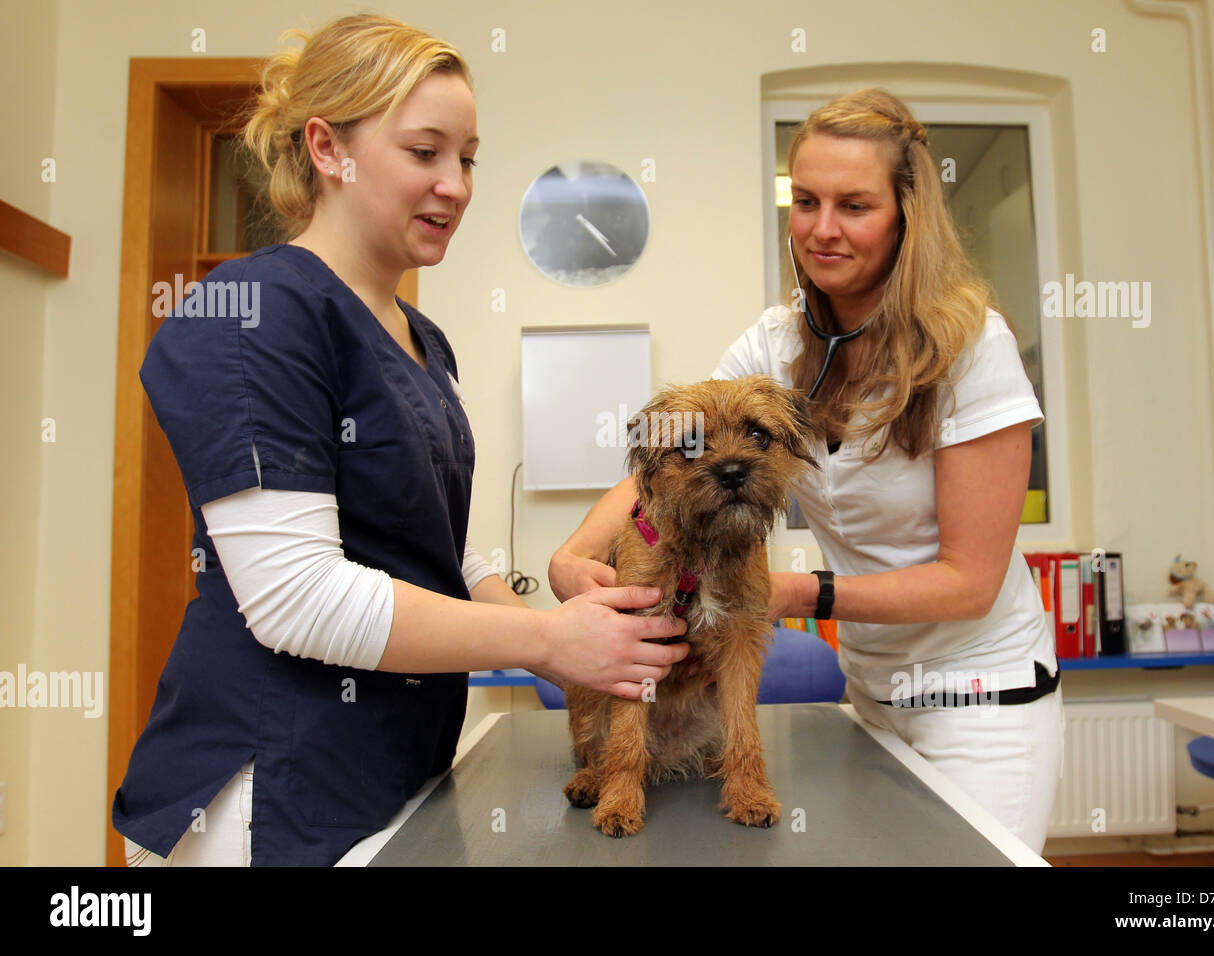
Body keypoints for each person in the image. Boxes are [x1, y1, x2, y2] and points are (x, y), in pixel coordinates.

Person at [112, 13, 688, 868]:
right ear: (326, 148)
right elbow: (296, 597)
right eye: (425, 152)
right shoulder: (254, 314)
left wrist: (570, 649)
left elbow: (441, 550)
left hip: (396, 772)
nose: (455, 184)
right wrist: (543, 643)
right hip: (271, 792)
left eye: (468, 158)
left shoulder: (420, 339)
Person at [549, 88, 1064, 853]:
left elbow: (969, 581)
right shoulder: (775, 342)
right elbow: (672, 453)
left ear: (905, 215)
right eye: (806, 201)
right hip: (872, 691)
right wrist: (575, 556)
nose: (822, 229)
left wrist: (785, 593)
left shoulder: (972, 346)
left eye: (854, 205)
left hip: (979, 695)